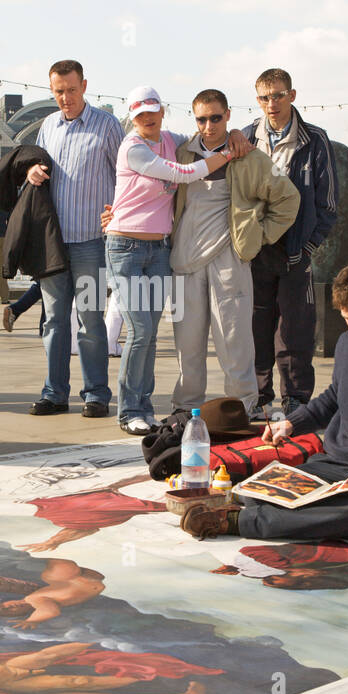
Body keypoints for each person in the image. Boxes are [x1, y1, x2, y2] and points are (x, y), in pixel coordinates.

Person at [180, 259, 348, 542]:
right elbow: (335, 397)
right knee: (256, 495)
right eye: (347, 319)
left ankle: (239, 522)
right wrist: (291, 424)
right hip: (336, 463)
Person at [104, 85, 233, 434]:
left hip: (160, 249)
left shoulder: (170, 139)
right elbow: (182, 173)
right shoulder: (132, 148)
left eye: (153, 111)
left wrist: (236, 134)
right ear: (133, 117)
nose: (147, 118)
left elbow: (202, 136)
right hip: (125, 247)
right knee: (140, 331)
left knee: (148, 334)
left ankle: (144, 408)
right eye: (140, 113)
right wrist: (222, 158)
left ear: (162, 111)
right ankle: (130, 409)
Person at [170, 88, 299, 416]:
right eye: (201, 119)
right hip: (185, 259)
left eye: (216, 117)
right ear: (194, 119)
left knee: (234, 340)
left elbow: (288, 199)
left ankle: (243, 407)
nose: (209, 125)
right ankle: (185, 408)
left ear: (228, 115)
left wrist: (258, 237)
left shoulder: (250, 156)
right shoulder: (181, 152)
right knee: (187, 343)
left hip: (230, 258)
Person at [25, 60, 124, 418]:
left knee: (91, 319)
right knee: (53, 320)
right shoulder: (47, 126)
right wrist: (32, 171)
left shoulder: (108, 126)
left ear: (84, 85)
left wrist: (119, 212)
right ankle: (54, 393)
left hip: (91, 242)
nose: (65, 98)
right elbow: (35, 165)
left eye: (70, 89)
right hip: (53, 243)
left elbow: (125, 173)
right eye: (58, 92)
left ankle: (96, 394)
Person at [243, 68, 338, 418]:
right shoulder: (244, 138)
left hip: (296, 251)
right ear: (257, 100)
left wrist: (310, 248)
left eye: (279, 95)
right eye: (266, 97)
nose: (273, 103)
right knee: (256, 327)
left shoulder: (315, 140)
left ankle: (296, 398)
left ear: (292, 95)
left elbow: (328, 204)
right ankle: (257, 396)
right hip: (254, 251)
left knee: (296, 330)